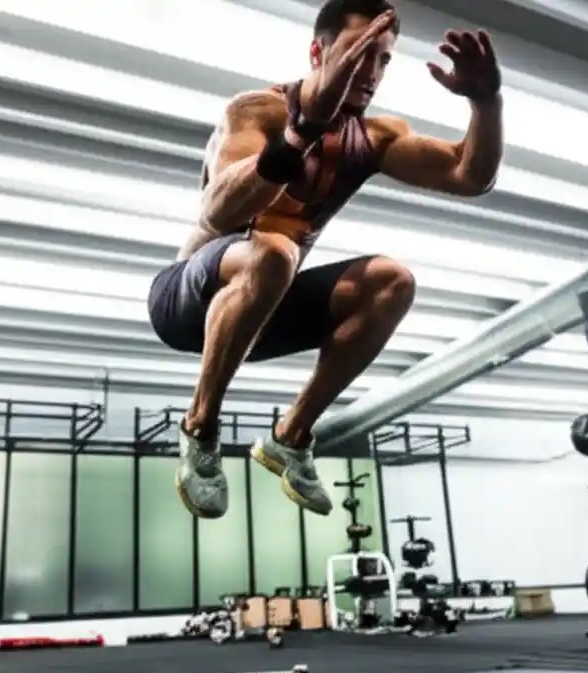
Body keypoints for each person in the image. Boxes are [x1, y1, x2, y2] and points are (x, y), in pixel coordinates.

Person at [146, 0, 503, 519]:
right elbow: (219, 211)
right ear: (319, 52)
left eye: (382, 59)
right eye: (358, 54)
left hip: (266, 305)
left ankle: (291, 437)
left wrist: (486, 101)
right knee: (274, 252)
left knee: (392, 281)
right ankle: (200, 427)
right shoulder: (257, 111)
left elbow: (471, 176)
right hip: (188, 302)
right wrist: (300, 131)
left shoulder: (373, 136)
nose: (370, 73)